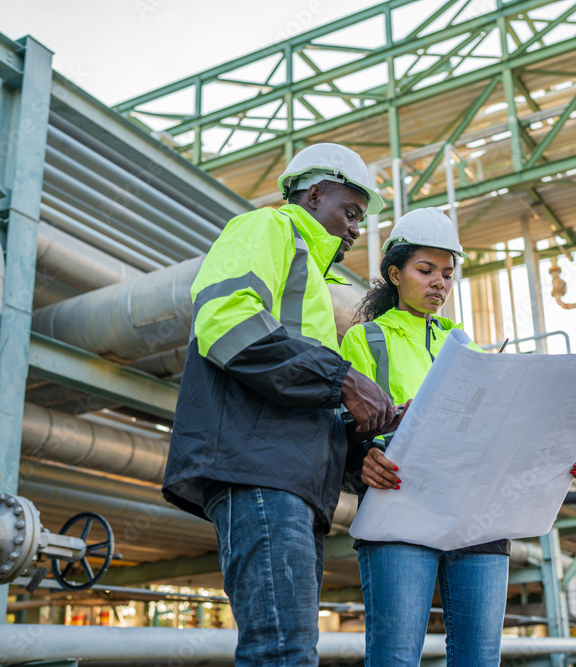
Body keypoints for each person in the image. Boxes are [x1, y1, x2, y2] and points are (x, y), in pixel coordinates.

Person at [163, 143, 405, 666]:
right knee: (282, 651)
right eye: (351, 211)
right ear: (314, 194)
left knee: (289, 649)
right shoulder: (267, 230)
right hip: (260, 474)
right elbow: (225, 322)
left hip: (288, 480)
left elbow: (302, 398)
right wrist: (343, 379)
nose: (356, 228)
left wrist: (358, 445)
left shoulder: (314, 285)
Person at [339, 208, 576, 666]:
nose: (439, 282)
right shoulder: (368, 341)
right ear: (395, 274)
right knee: (395, 658)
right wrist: (358, 460)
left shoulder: (471, 349)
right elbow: (346, 426)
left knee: (480, 659)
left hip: (478, 518)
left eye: (448, 274)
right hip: (401, 512)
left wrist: (557, 454)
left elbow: (503, 432)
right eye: (426, 270)